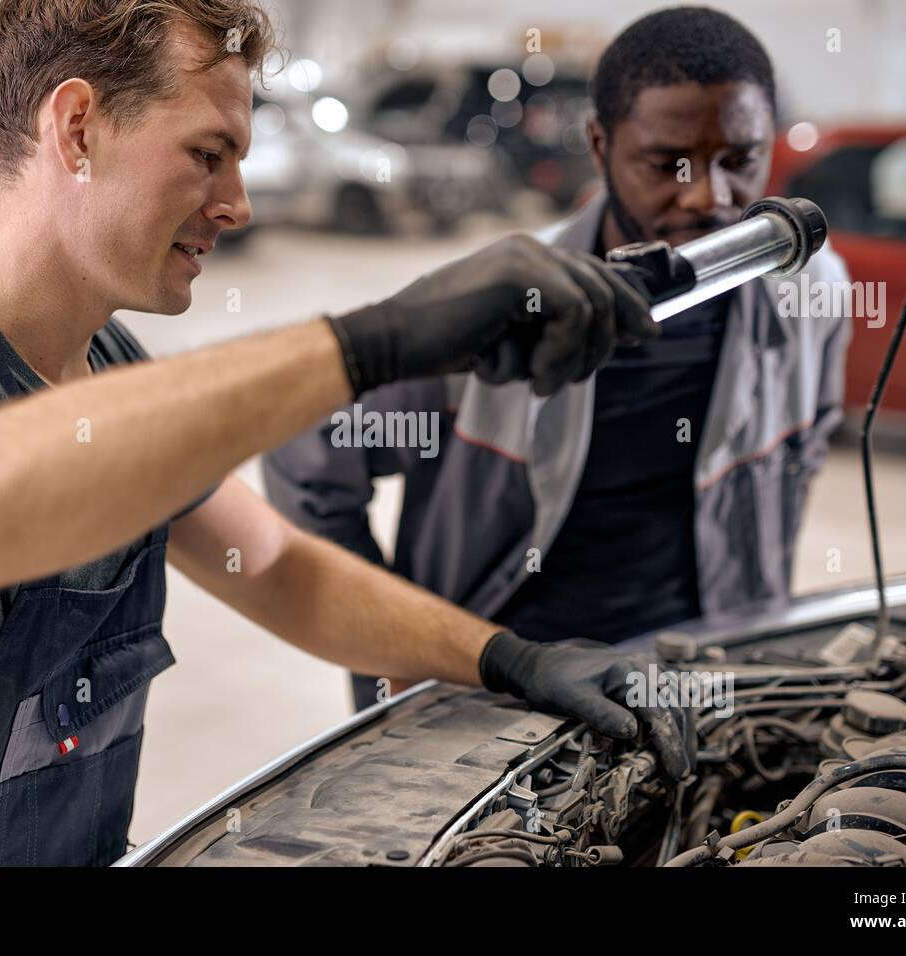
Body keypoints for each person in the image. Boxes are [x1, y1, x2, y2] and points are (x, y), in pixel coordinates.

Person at [0, 0, 694, 867]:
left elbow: (276, 564)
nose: (237, 203)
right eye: (207, 154)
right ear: (77, 128)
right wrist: (371, 344)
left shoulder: (109, 366)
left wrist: (510, 659)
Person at [264, 6, 853, 711]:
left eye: (740, 160)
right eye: (667, 163)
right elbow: (305, 453)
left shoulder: (811, 295)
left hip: (701, 687)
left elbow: (801, 463)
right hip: (500, 703)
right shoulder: (499, 307)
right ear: (600, 145)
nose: (709, 197)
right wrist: (392, 652)